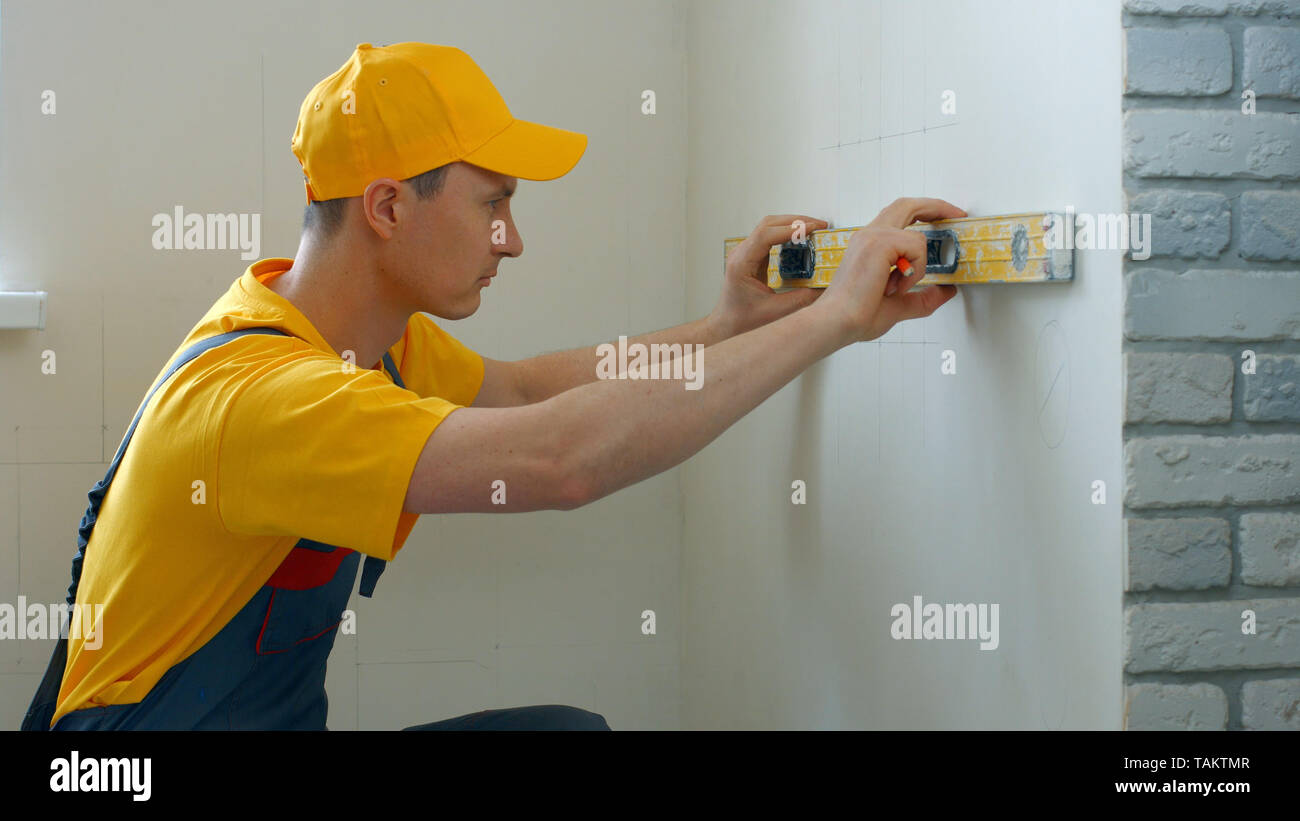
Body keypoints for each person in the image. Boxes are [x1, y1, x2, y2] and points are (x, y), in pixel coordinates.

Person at [26, 42, 961, 732]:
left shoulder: (358, 342)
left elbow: (522, 396)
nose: (512, 239)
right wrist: (830, 319)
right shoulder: (264, 396)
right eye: (494, 203)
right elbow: (560, 459)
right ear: (388, 206)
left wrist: (732, 323)